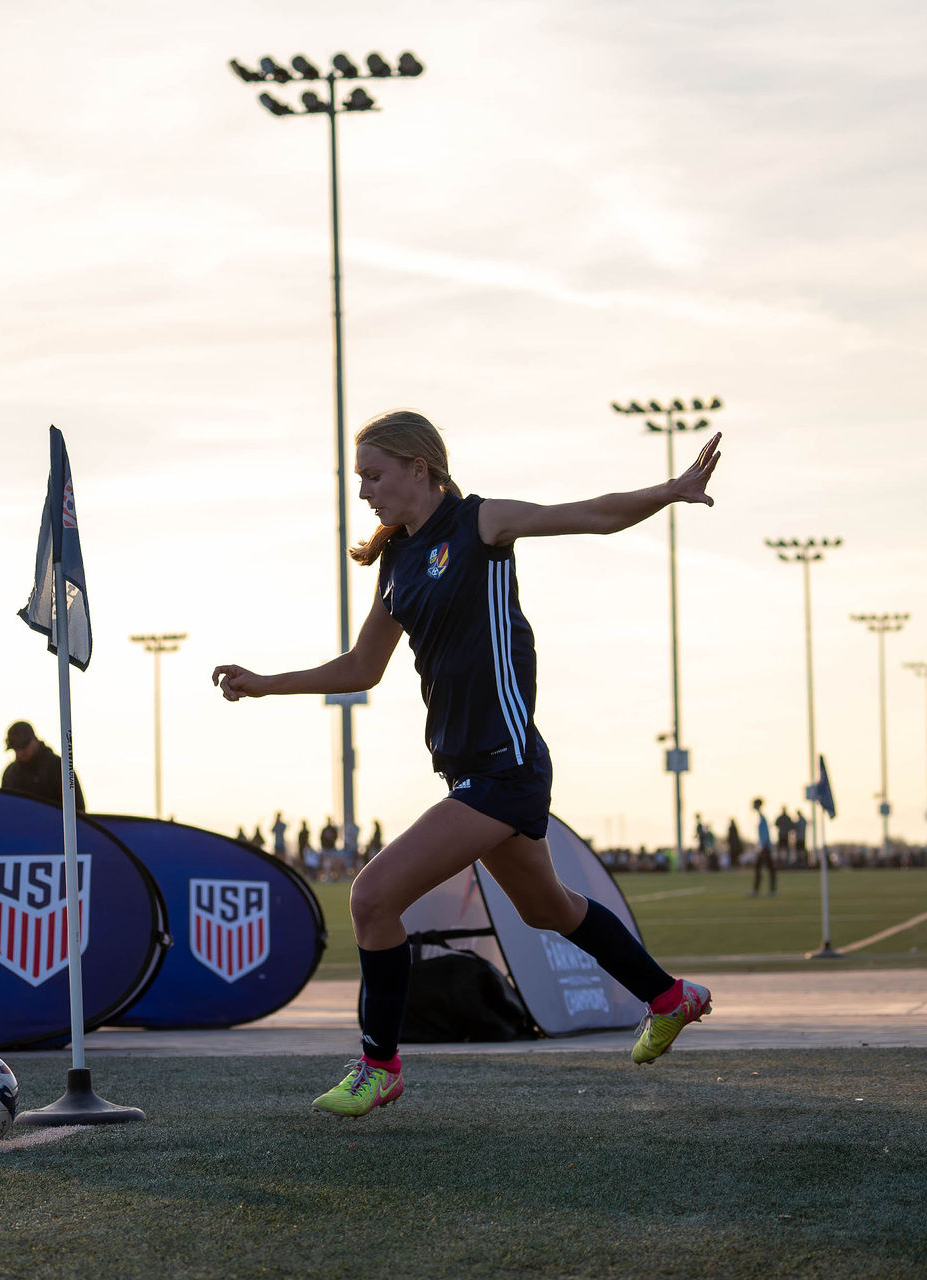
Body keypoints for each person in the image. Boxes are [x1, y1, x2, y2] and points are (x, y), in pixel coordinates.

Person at [214, 408, 722, 1116]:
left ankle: (378, 1065)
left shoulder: (481, 525)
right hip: (465, 768)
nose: (364, 491)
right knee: (550, 909)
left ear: (419, 469)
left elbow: (592, 515)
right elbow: (363, 667)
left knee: (372, 896)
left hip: (504, 765)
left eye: (373, 475)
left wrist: (669, 490)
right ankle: (671, 997)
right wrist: (268, 683)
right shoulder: (396, 562)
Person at [0, 720, 83, 810]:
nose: (20, 752)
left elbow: (78, 809)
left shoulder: (60, 768)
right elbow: (4, 808)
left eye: (24, 746)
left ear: (34, 740)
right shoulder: (10, 774)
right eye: (16, 749)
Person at [750, 797, 777, 896]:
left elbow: (765, 834)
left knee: (763, 868)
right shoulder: (761, 817)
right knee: (768, 868)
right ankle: (770, 890)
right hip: (764, 847)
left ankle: (762, 890)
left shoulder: (762, 818)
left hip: (765, 847)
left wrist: (762, 846)